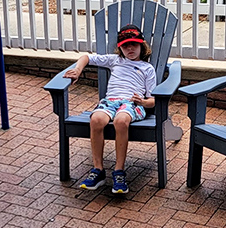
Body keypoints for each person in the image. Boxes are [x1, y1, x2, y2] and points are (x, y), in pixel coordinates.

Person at [63, 23, 156, 195]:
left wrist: (143, 102)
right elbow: (86, 57)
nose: (130, 48)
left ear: (141, 46)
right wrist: (77, 70)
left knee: (121, 121)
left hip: (132, 103)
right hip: (110, 101)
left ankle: (119, 172)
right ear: (120, 48)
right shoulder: (115, 61)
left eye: (133, 44)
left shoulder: (147, 68)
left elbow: (153, 100)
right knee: (96, 119)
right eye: (125, 45)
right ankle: (98, 170)